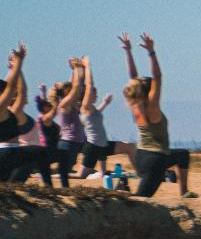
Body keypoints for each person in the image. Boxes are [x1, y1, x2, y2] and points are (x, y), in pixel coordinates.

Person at [120, 33, 193, 198]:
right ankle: (184, 191)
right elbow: (158, 77)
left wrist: (128, 52)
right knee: (140, 201)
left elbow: (133, 79)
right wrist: (152, 52)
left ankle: (184, 192)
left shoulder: (134, 106)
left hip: (140, 157)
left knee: (182, 154)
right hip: (155, 160)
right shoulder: (152, 108)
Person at [0, 43, 45, 183]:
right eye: (3, 92)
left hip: (11, 153)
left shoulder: (9, 110)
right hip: (3, 154)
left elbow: (22, 93)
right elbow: (10, 87)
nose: (10, 95)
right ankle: (49, 186)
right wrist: (17, 64)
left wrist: (18, 68)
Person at [75, 57, 120, 179]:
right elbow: (89, 85)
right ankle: (48, 176)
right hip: (93, 146)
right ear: (88, 95)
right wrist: (88, 66)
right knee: (80, 176)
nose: (96, 95)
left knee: (102, 175)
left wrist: (105, 103)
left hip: (102, 144)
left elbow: (95, 116)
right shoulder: (86, 106)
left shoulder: (92, 110)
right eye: (95, 93)